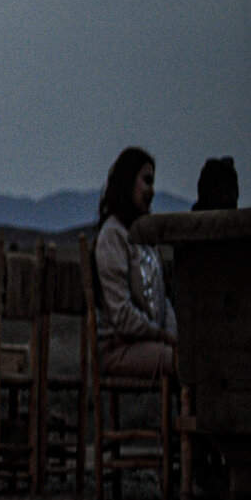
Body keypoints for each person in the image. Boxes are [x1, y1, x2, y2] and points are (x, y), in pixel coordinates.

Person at [92, 146, 177, 379]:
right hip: (119, 348)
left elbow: (163, 297)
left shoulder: (145, 236)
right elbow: (121, 314)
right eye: (146, 181)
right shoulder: (113, 236)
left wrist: (172, 334)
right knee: (186, 363)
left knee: (195, 356)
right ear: (128, 182)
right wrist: (161, 335)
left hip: (153, 342)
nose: (152, 190)